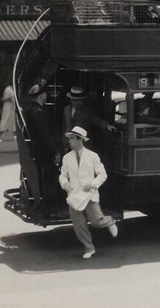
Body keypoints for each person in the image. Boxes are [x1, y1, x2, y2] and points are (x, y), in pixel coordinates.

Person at [59, 126, 118, 259]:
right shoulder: (66, 158)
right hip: (74, 195)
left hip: (89, 195)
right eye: (69, 139)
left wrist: (92, 184)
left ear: (80, 140)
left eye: (72, 139)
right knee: (78, 225)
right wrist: (65, 184)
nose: (69, 142)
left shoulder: (92, 156)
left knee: (97, 221)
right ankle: (89, 248)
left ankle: (110, 221)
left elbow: (102, 174)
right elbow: (62, 175)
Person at [23, 83, 61, 206]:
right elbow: (46, 136)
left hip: (39, 150)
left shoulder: (30, 109)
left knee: (45, 178)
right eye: (45, 93)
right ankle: (50, 207)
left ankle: (47, 205)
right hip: (46, 151)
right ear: (41, 95)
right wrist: (55, 151)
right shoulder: (39, 112)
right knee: (51, 179)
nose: (46, 96)